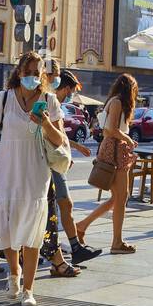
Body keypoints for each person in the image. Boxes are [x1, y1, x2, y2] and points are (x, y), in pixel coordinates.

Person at [0, 52, 69, 306]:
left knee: (32, 231)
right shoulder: (3, 98)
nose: (32, 78)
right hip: (8, 170)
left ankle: (28, 290)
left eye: (37, 73)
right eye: (28, 73)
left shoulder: (49, 100)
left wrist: (46, 123)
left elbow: (59, 141)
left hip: (36, 172)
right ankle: (13, 275)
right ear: (19, 72)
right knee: (9, 226)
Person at [75, 74, 139, 257]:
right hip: (116, 150)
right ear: (129, 89)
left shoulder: (112, 101)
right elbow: (111, 129)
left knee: (117, 198)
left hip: (114, 149)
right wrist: (128, 139)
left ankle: (82, 226)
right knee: (121, 197)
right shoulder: (118, 103)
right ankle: (117, 242)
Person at [48, 67, 101, 266]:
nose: (71, 95)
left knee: (61, 204)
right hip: (50, 163)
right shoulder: (49, 101)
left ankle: (72, 247)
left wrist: (74, 147)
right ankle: (72, 248)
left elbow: (59, 135)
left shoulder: (55, 104)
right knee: (62, 203)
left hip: (55, 161)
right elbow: (50, 134)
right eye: (70, 91)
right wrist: (66, 153)